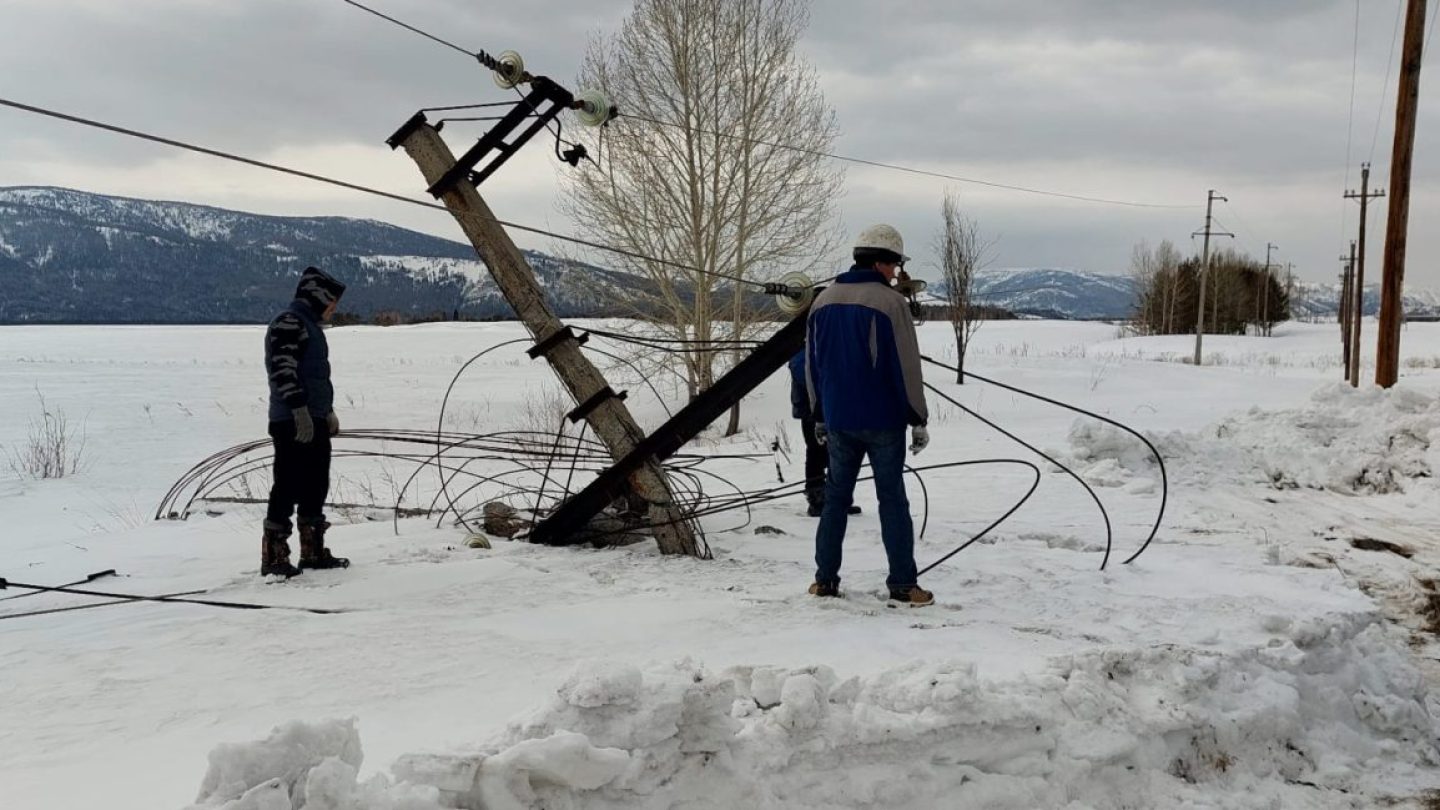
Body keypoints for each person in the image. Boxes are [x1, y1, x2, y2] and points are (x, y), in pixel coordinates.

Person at [805, 224, 932, 606]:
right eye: (894, 266)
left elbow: (812, 365)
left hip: (839, 419)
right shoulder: (890, 303)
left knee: (835, 500)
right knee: (892, 501)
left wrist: (819, 414)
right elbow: (907, 366)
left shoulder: (822, 301)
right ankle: (903, 585)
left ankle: (824, 581)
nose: (896, 273)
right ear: (880, 262)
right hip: (883, 420)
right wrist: (918, 417)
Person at [260, 266, 349, 577]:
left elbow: (315, 378)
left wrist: (326, 412)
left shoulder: (311, 327)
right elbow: (282, 369)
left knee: (316, 484)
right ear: (317, 298)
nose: (333, 309)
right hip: (291, 421)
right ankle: (274, 556)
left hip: (314, 419)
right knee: (287, 485)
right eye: (331, 303)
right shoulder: (289, 322)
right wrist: (299, 411)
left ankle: (312, 552)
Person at [788, 350, 861, 518]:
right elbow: (802, 370)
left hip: (829, 405)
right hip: (812, 408)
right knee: (816, 451)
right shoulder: (804, 347)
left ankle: (835, 498)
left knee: (834, 452)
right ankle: (817, 500)